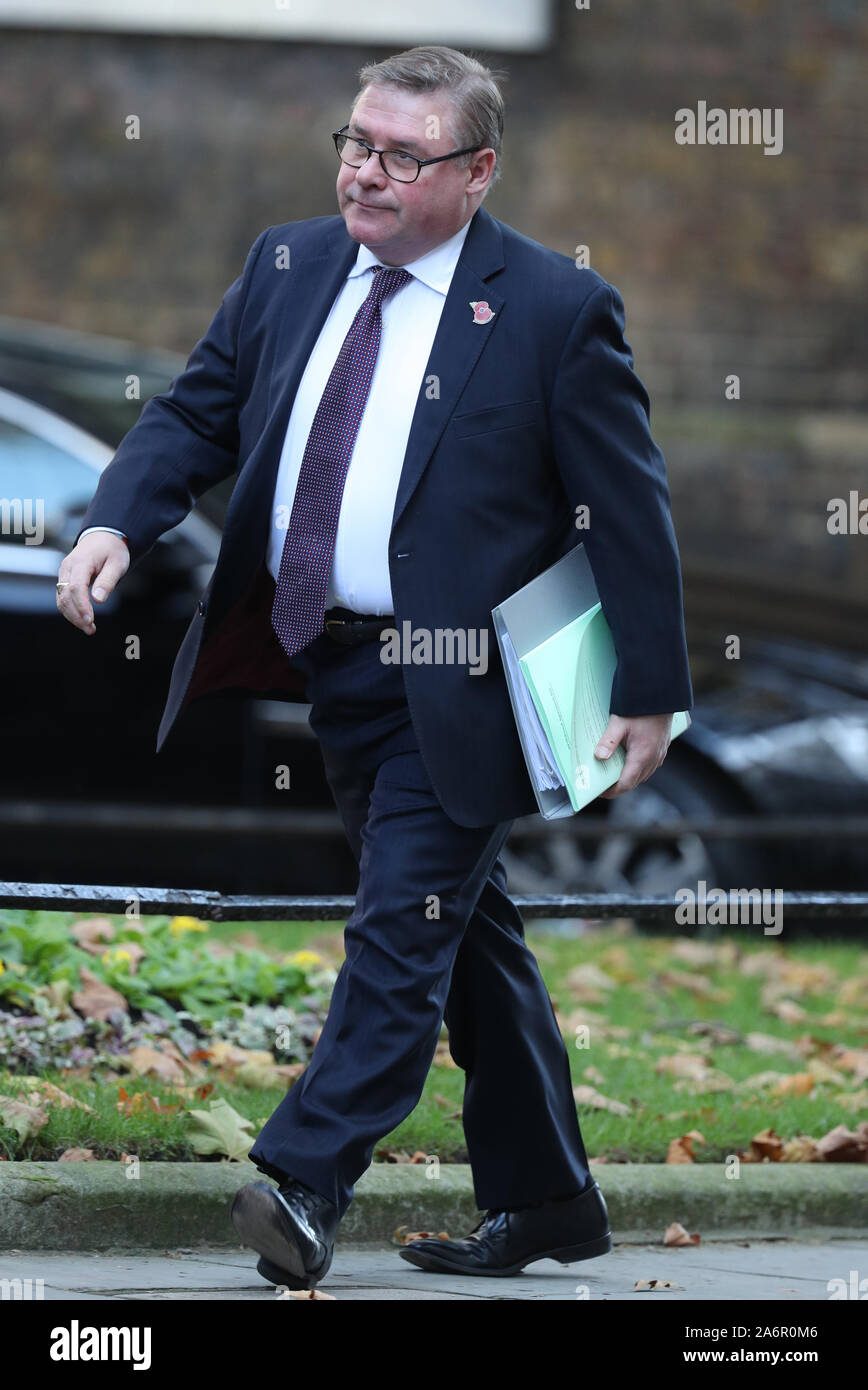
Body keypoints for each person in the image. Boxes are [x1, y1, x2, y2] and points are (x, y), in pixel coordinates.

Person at [57, 45, 693, 1289]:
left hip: (460, 683)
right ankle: (551, 1198)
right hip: (331, 664)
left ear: (477, 171)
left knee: (399, 931)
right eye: (356, 143)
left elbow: (629, 507)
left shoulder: (555, 309)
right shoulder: (288, 263)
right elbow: (197, 408)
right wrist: (112, 520)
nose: (367, 172)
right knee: (464, 931)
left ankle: (303, 1180)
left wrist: (650, 686)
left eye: (404, 154)